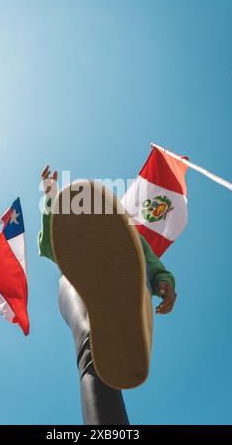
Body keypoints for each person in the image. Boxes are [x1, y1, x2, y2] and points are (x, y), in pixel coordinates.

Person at [38, 165, 177, 425]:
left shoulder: (131, 238)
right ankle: (118, 324)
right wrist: (50, 197)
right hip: (73, 287)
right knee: (92, 345)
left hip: (125, 289)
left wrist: (164, 283)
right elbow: (48, 246)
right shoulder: (73, 234)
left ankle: (136, 318)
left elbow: (157, 268)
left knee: (137, 266)